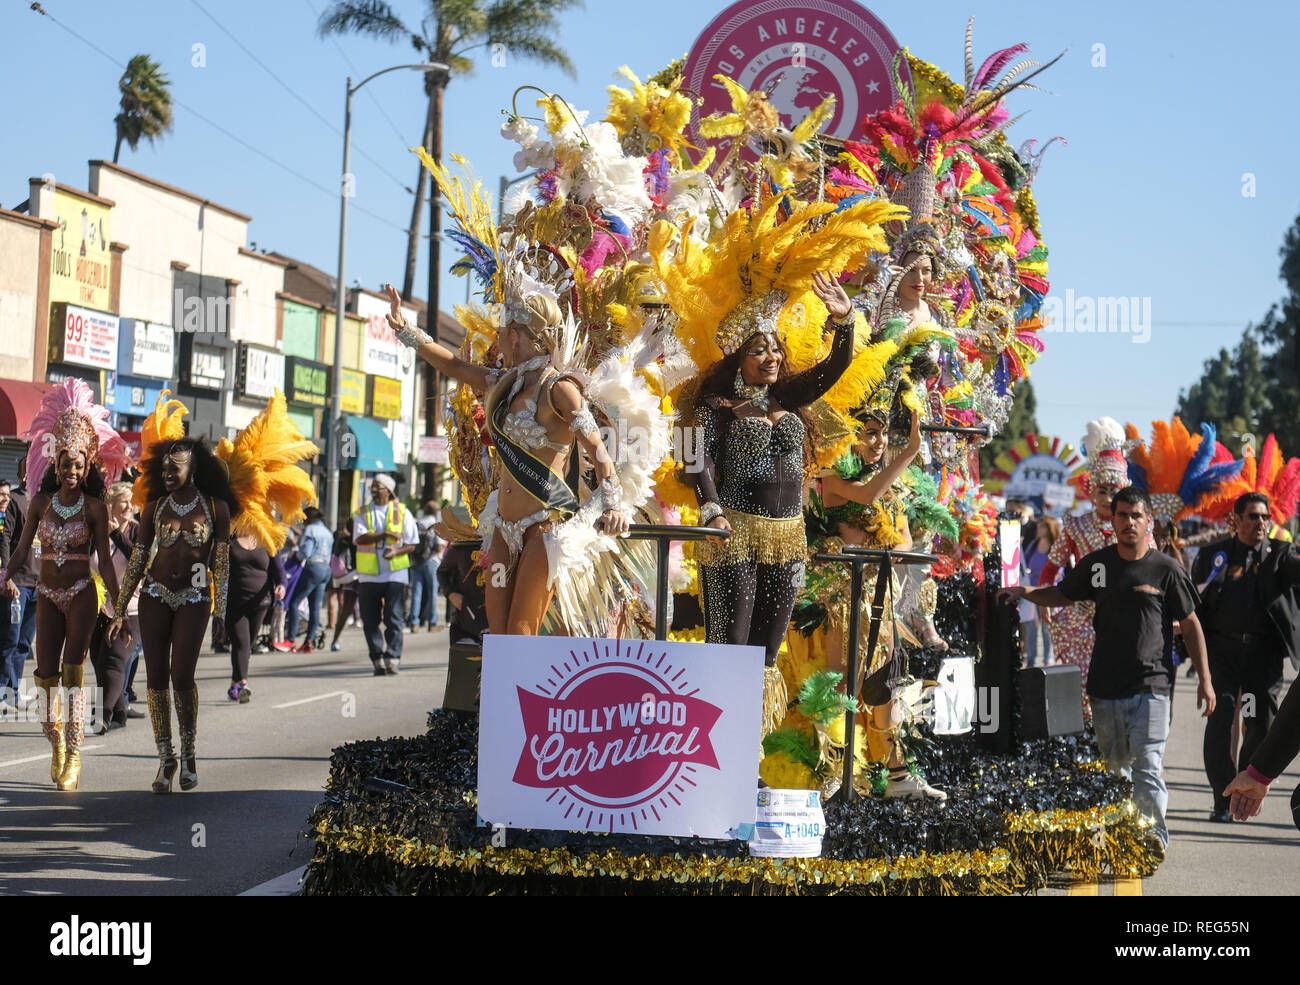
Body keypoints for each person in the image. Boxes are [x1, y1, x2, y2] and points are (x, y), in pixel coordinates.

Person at [389, 279, 633, 637]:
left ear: (515, 336)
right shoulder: (503, 384)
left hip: (544, 527)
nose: (498, 341)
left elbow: (598, 450)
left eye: (501, 333)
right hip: (502, 528)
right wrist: (406, 330)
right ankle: (500, 693)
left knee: (521, 631)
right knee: (498, 632)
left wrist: (612, 505)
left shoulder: (560, 389)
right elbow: (455, 367)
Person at [1001, 487, 1215, 856]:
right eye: (1122, 515)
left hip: (1152, 684)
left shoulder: (1166, 569)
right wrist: (1026, 591)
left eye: (1136, 515)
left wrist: (1206, 681)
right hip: (1104, 687)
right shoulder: (1097, 564)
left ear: (1148, 521)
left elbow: (1191, 624)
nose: (1129, 522)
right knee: (1116, 771)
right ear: (1113, 520)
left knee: (1147, 763)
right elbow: (1063, 594)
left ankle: (1152, 837)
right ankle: (1122, 837)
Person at [693, 271, 857, 732]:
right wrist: (711, 508)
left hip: (787, 539)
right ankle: (714, 755)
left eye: (775, 348)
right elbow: (693, 458)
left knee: (766, 654)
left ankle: (746, 763)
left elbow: (836, 367)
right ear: (738, 357)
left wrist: (843, 319)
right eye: (758, 349)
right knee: (732, 648)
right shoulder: (711, 405)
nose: (771, 357)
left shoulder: (786, 394)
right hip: (733, 538)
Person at [2, 380, 129, 790]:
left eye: (78, 465)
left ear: (88, 464)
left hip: (80, 594)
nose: (71, 472)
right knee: (43, 675)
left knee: (74, 670)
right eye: (64, 464)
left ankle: (74, 752)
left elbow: (106, 561)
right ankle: (56, 743)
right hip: (47, 594)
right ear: (53, 463)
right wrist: (5, 577)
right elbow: (21, 552)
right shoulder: (39, 503)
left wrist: (119, 602)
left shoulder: (95, 507)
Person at [110, 435, 235, 793]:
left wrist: (221, 610)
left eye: (174, 467)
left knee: (182, 675)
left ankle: (190, 753)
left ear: (192, 470)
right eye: (164, 466)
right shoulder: (155, 507)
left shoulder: (215, 508)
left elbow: (221, 562)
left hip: (195, 597)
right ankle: (166, 758)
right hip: (154, 594)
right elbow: (138, 556)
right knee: (155, 678)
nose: (166, 472)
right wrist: (120, 609)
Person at [1191, 491, 1300, 822]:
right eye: (1253, 516)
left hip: (1261, 660)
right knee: (1220, 725)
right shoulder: (1214, 555)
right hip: (1222, 656)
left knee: (1257, 725)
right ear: (1234, 520)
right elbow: (1193, 597)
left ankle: (1247, 780)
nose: (1260, 522)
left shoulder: (1280, 555)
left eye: (1265, 517)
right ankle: (1222, 797)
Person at [1038, 417, 1139, 716]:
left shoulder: (1138, 529)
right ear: (1091, 490)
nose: (1109, 498)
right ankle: (1086, 756)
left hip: (1125, 623)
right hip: (1081, 623)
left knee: (1121, 698)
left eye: (1115, 490)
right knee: (1084, 699)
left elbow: (1155, 571)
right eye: (1103, 490)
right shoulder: (1075, 525)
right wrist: (1045, 598)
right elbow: (1051, 567)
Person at [352, 474, 418, 675]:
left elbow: (412, 543)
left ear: (388, 490)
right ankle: (377, 659)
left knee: (394, 618)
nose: (373, 489)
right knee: (369, 620)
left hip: (395, 575)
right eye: (372, 486)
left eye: (377, 486)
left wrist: (396, 551)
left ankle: (393, 658)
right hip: (369, 575)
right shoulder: (362, 513)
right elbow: (359, 538)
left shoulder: (402, 512)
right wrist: (386, 535)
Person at [87, 482, 140, 731]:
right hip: (98, 607)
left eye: (131, 502)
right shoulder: (95, 530)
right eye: (124, 501)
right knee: (98, 660)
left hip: (131, 609)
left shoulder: (137, 532)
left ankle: (103, 714)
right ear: (111, 505)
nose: (129, 506)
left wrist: (115, 534)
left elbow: (139, 559)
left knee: (115, 658)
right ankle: (119, 711)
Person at [1222, 673, 1300, 820]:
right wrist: (1259, 774)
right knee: (1244, 719)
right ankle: (1221, 803)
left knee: (1257, 722)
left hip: (1263, 673)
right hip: (1243, 672)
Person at [226, 528, 285, 702]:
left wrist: (282, 584)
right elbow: (214, 567)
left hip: (261, 602)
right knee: (241, 643)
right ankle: (243, 684)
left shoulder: (266, 540)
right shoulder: (227, 541)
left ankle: (234, 684)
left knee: (247, 644)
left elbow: (278, 568)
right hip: (235, 602)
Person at [1, 467, 39, 712]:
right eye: (27, 468)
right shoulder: (15, 499)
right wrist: (7, 576)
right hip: (18, 584)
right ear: (21, 474)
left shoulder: (48, 500)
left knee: (25, 643)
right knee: (9, 640)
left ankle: (14, 692)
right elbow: (4, 538)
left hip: (39, 584)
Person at [286, 507, 332, 653]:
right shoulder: (327, 531)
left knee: (294, 601)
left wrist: (295, 557)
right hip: (326, 569)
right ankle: (309, 641)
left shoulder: (310, 530)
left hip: (313, 567)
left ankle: (291, 639)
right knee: (315, 607)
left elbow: (305, 551)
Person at [1020, 516, 1059, 667]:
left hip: (1050, 591)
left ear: (1049, 529)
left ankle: (1048, 658)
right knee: (1031, 627)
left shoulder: (1055, 546)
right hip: (1032, 592)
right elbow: (1024, 562)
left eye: (1042, 526)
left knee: (1046, 627)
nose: (1039, 529)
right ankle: (1031, 658)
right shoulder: (1034, 544)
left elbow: (1059, 568)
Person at [438, 539, 487, 647]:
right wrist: (451, 594)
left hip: (498, 623)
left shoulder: (507, 544)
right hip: (465, 623)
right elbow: (442, 572)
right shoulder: (462, 545)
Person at [408, 500, 442, 633]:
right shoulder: (436, 525)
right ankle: (432, 622)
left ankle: (414, 623)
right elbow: (439, 546)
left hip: (417, 561)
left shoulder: (418, 523)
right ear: (436, 512)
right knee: (432, 592)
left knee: (416, 593)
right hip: (431, 561)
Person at [328, 526, 358, 652]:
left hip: (350, 578)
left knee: (345, 610)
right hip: (361, 577)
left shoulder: (344, 540)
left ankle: (335, 640)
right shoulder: (357, 540)